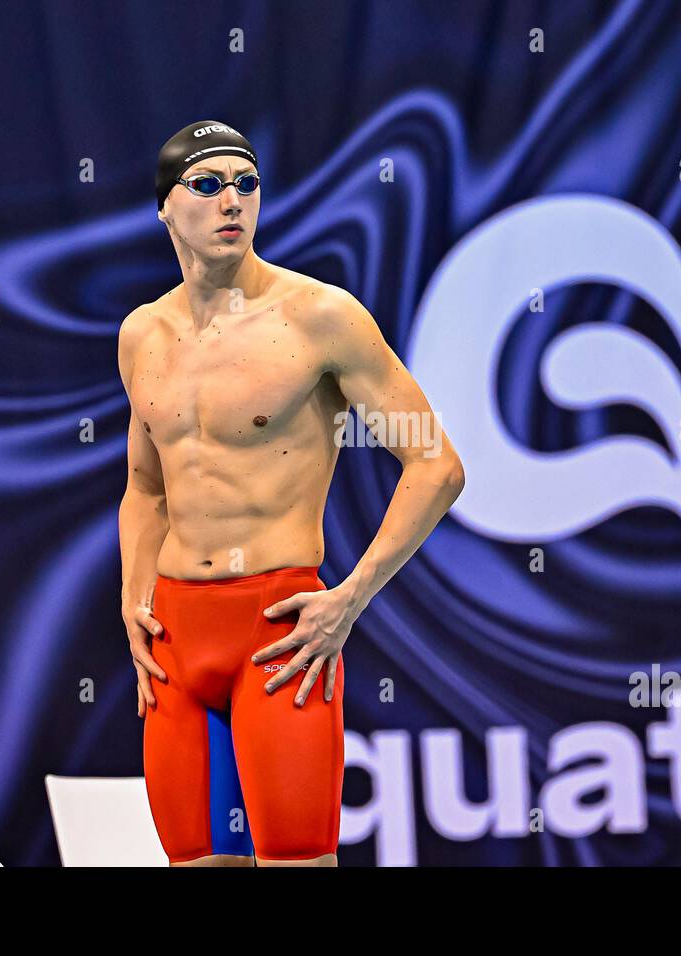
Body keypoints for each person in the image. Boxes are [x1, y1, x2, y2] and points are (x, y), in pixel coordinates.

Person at [117, 120, 465, 866]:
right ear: (165, 210)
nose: (231, 201)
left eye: (246, 183)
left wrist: (351, 596)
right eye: (207, 185)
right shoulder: (142, 333)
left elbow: (436, 465)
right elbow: (145, 488)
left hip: (279, 636)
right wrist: (132, 598)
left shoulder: (319, 318)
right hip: (176, 642)